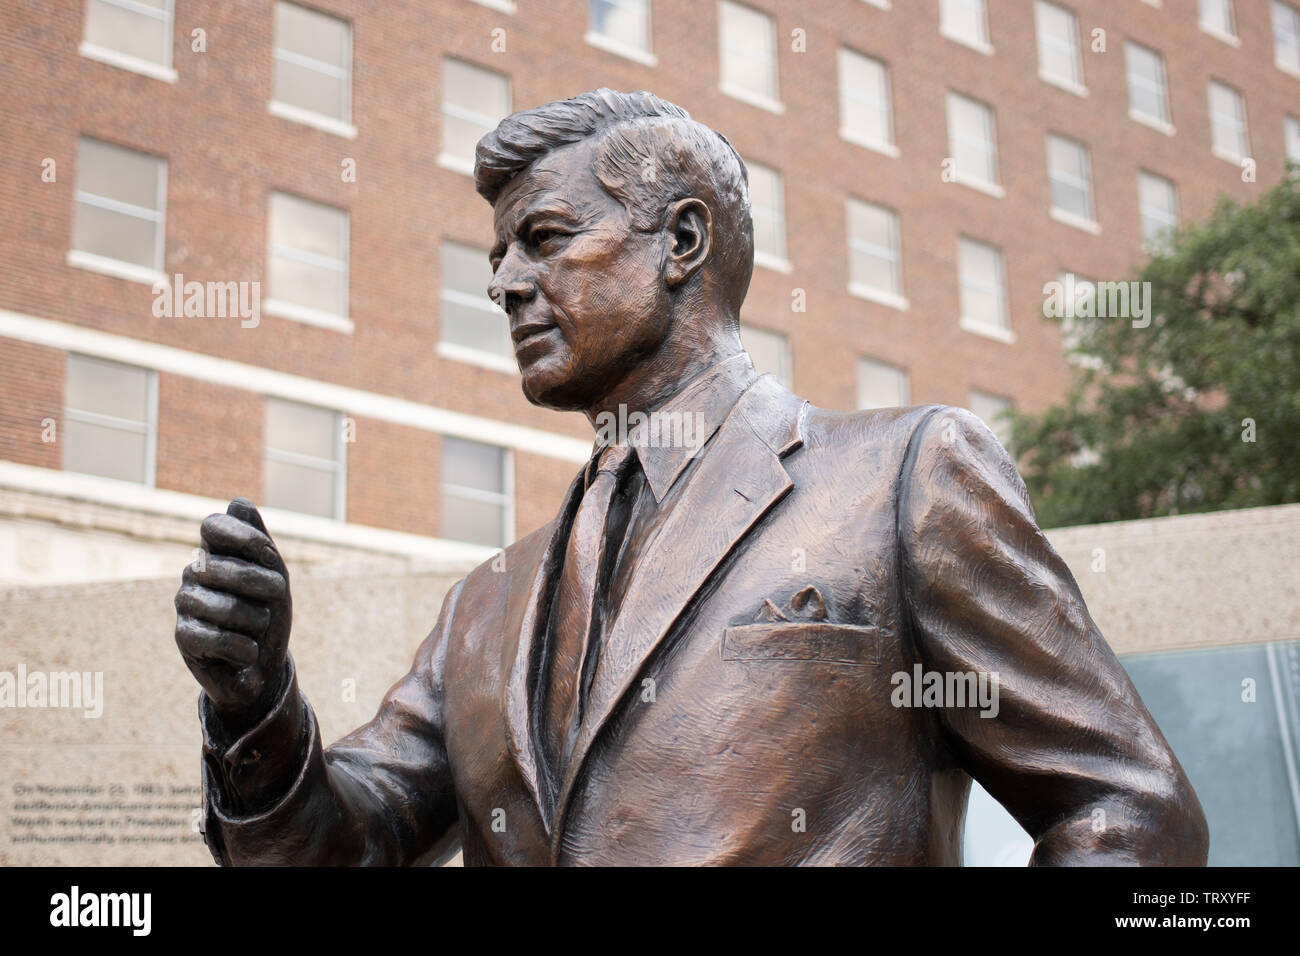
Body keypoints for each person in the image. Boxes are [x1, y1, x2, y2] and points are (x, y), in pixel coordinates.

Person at [174, 89, 1208, 866]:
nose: (504, 282)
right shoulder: (482, 606)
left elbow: (1129, 812)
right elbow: (336, 847)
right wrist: (254, 698)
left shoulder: (904, 475)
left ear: (681, 241)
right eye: (497, 258)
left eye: (544, 238)